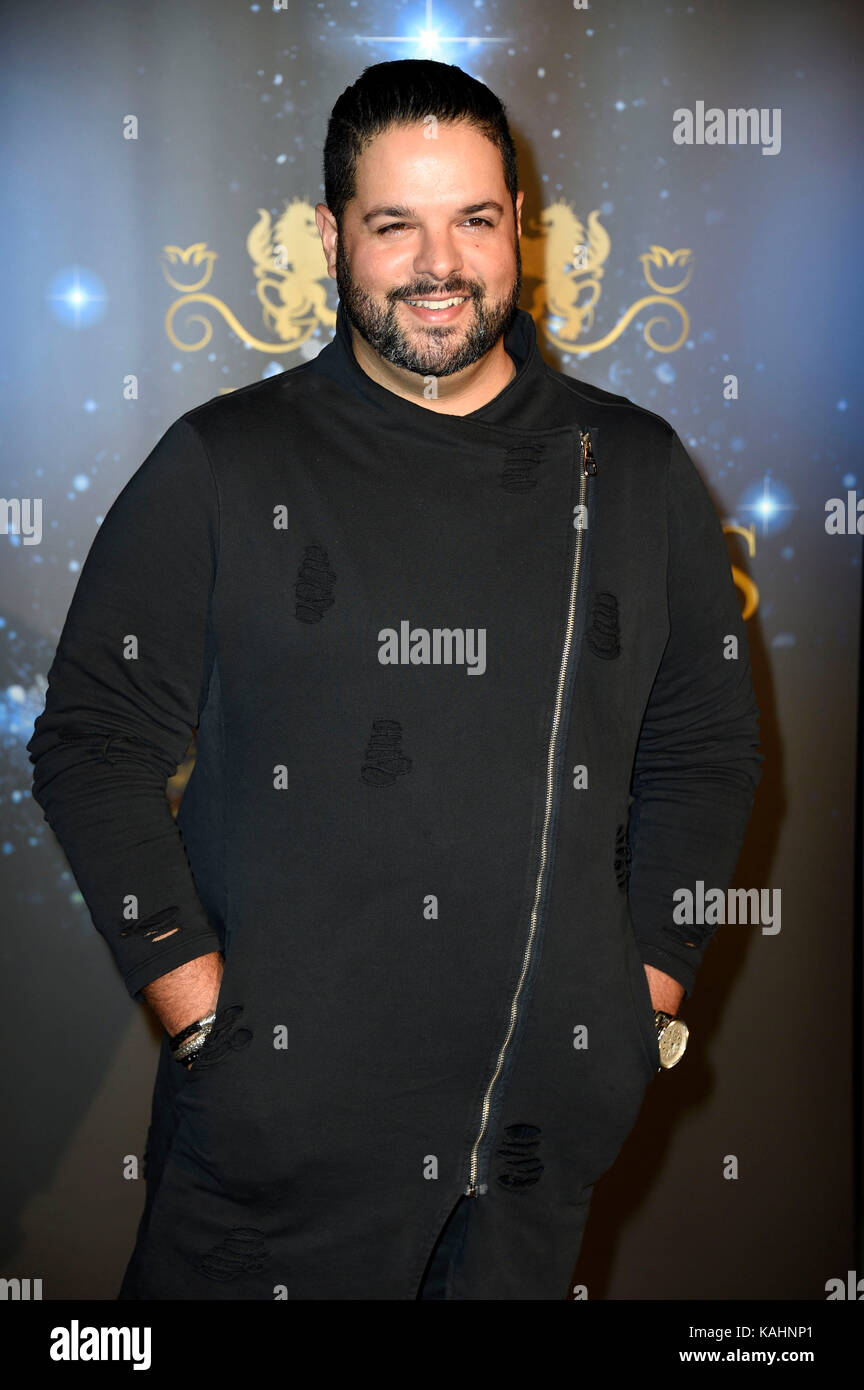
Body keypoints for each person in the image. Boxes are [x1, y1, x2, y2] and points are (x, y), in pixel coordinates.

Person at [27, 58, 762, 1301]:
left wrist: (647, 987)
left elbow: (704, 747)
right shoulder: (221, 463)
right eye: (394, 225)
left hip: (530, 1170)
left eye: (474, 219)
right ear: (330, 236)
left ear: (517, 228)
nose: (441, 264)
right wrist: (202, 1016)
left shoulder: (629, 466)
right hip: (268, 1171)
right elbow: (92, 740)